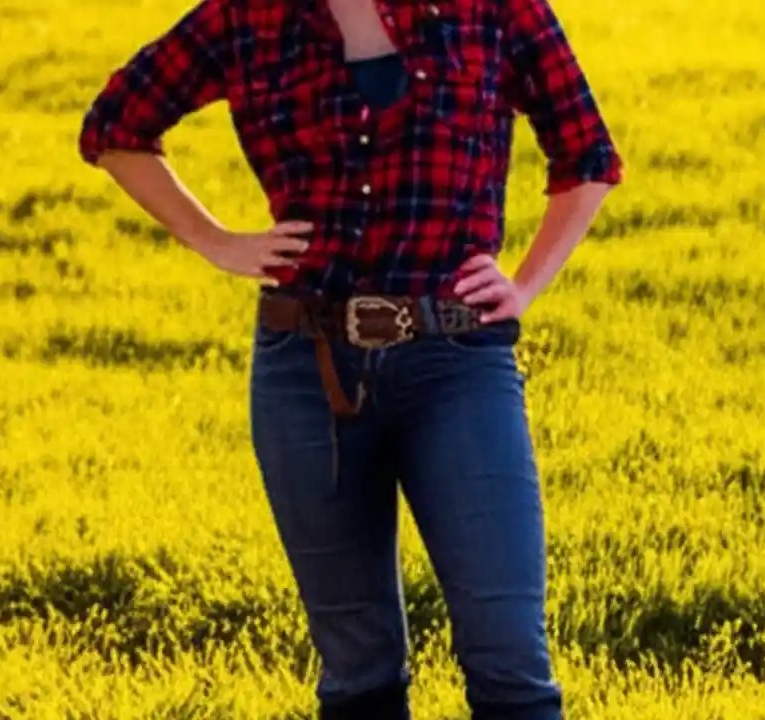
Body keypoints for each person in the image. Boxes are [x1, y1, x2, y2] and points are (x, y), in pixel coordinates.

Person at [77, 0, 622, 717]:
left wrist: (523, 284)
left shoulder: (490, 8)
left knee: (511, 667)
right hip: (307, 371)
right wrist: (216, 241)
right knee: (357, 673)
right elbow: (116, 125)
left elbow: (586, 154)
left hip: (457, 366)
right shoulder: (250, 17)